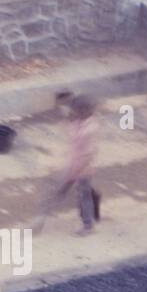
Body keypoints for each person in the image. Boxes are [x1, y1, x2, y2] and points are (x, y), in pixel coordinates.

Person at [34, 94, 100, 236]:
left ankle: (88, 226)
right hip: (72, 165)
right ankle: (43, 217)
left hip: (82, 170)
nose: (73, 112)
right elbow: (68, 126)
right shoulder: (78, 121)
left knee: (83, 197)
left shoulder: (90, 129)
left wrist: (76, 172)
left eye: (75, 110)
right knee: (59, 190)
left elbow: (89, 154)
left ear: (84, 111)